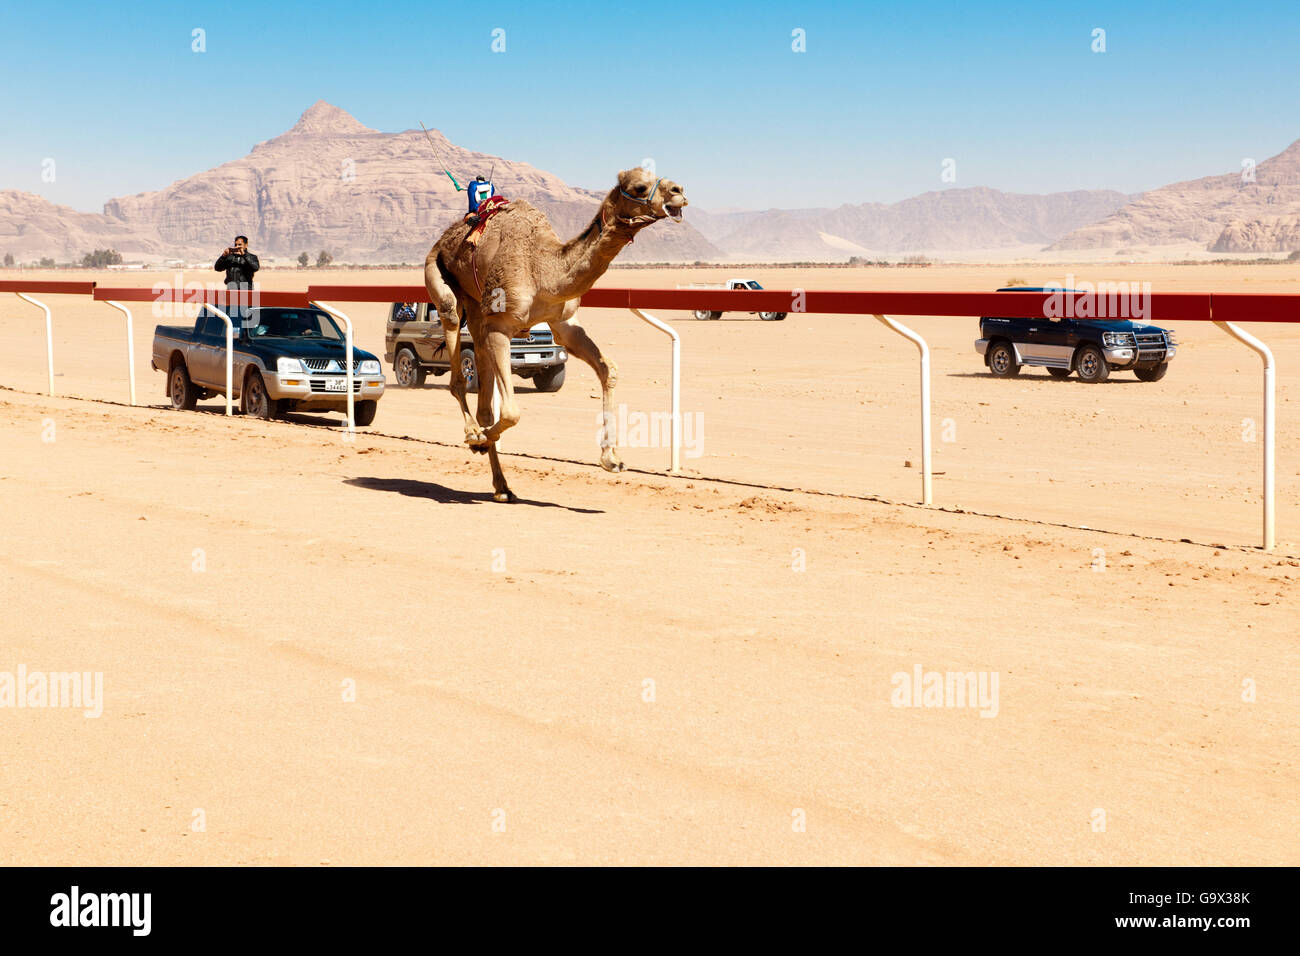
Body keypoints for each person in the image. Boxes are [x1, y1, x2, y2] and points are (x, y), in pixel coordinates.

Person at [215, 236, 259, 325]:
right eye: (235, 244)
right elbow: (217, 268)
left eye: (240, 244)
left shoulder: (252, 257)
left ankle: (246, 335)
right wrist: (223, 256)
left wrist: (244, 255)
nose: (237, 246)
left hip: (245, 290)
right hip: (231, 290)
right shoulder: (230, 258)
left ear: (246, 245)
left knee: (246, 315)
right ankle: (232, 334)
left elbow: (255, 267)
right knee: (232, 315)